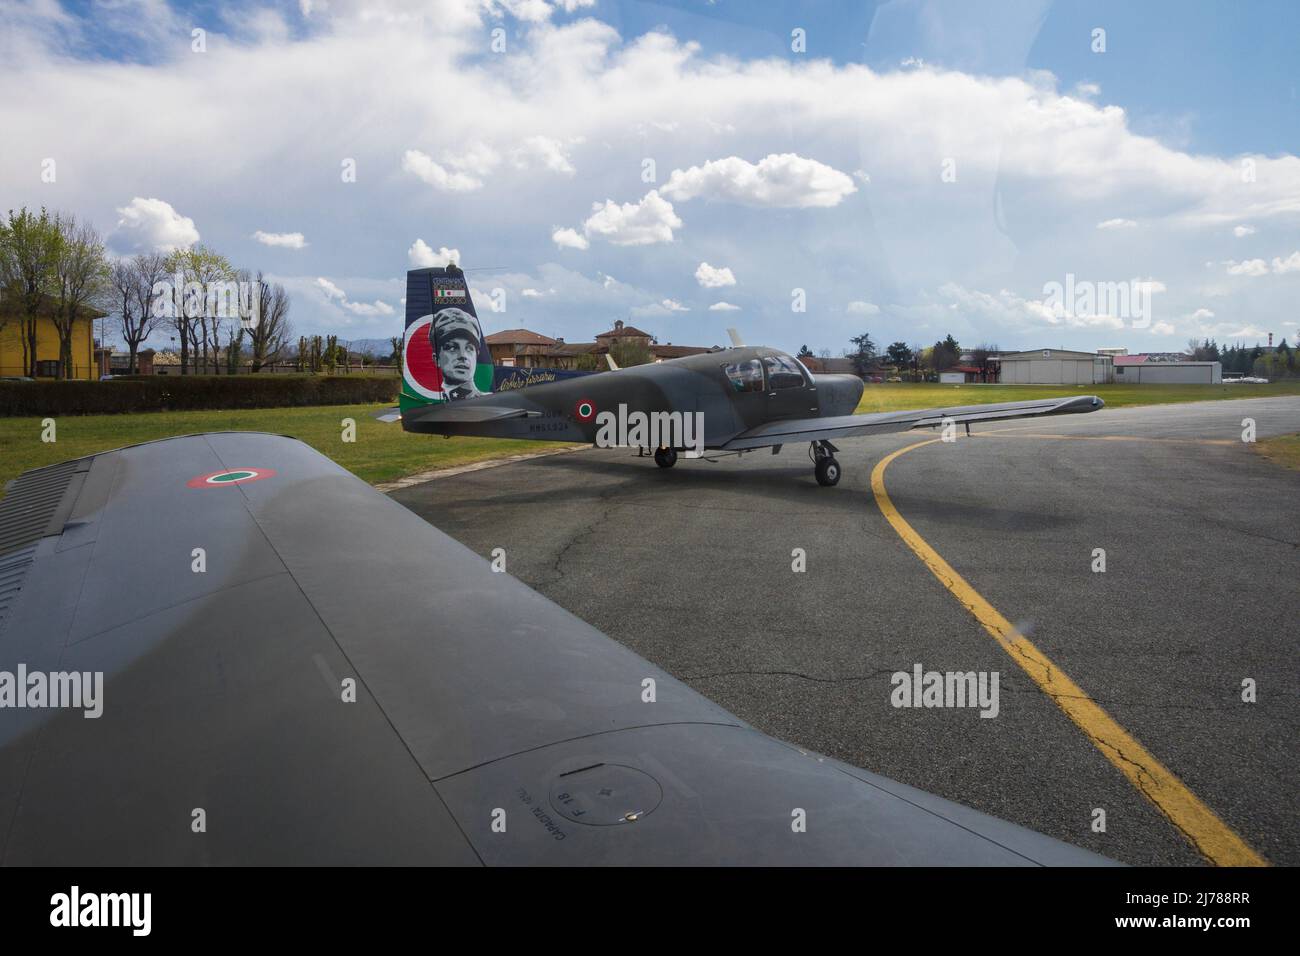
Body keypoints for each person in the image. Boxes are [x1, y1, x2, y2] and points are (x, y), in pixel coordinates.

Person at [430, 307, 486, 400]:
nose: (463, 356)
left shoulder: (486, 402)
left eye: (469, 348)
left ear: (476, 355)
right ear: (436, 359)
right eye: (452, 348)